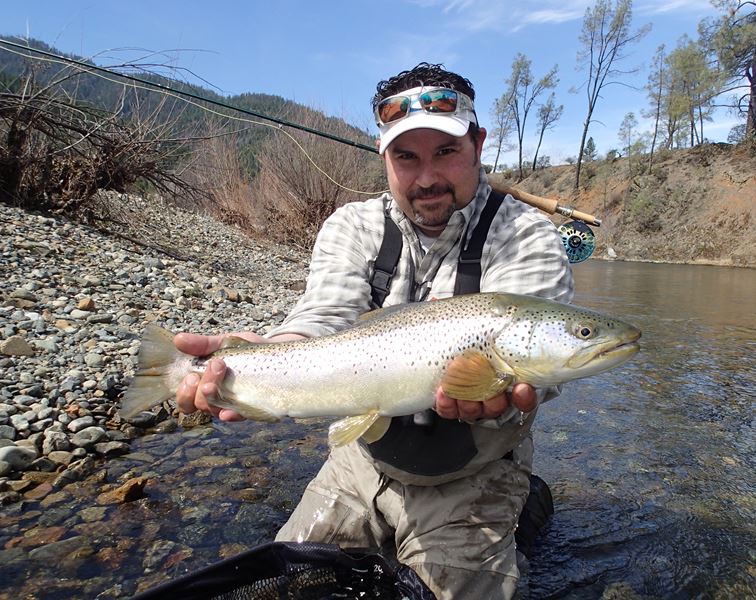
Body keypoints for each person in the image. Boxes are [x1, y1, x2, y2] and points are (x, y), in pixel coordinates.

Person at [175, 63, 574, 599]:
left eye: (446, 152)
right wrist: (271, 353)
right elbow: (321, 318)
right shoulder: (352, 226)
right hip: (359, 460)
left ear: (478, 145)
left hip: (477, 475)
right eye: (407, 157)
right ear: (384, 157)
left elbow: (539, 371)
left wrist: (498, 390)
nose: (427, 177)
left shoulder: (524, 235)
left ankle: (517, 511)